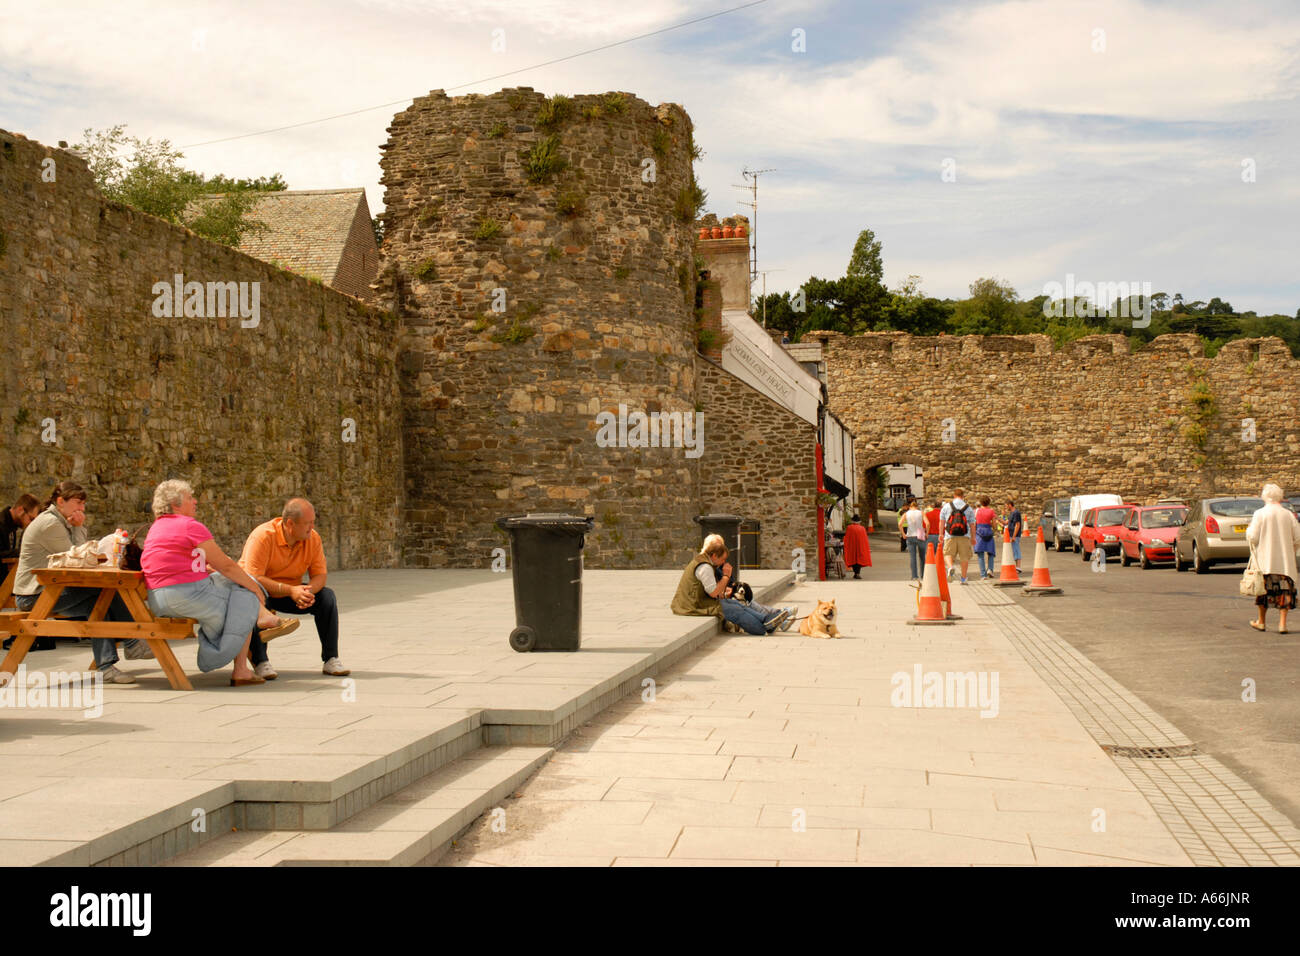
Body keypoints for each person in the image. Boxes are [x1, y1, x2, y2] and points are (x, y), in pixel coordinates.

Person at [141, 480, 299, 686]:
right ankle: (240, 658)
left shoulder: (156, 528)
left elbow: (185, 563)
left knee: (234, 585)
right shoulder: (190, 526)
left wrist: (232, 578)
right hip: (187, 594)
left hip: (158, 598)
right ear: (175, 503)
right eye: (190, 498)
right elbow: (226, 565)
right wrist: (257, 590)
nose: (195, 501)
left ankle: (261, 621)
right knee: (245, 598)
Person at [11, 481, 148, 681]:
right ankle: (133, 642)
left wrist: (77, 526)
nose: (82, 509)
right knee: (103, 592)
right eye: (78, 503)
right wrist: (79, 526)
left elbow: (78, 554)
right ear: (60, 501)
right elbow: (77, 558)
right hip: (33, 595)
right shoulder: (50, 523)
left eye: (83, 504)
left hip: (49, 590)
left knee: (100, 601)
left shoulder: (59, 521)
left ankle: (108, 665)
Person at [239, 497, 349, 679]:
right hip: (259, 590)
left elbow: (320, 575)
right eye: (307, 523)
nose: (312, 527)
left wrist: (308, 592)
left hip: (292, 591)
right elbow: (254, 577)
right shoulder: (263, 536)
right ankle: (261, 661)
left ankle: (331, 659)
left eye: (313, 522)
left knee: (327, 597)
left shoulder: (312, 538)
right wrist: (291, 590)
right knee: (253, 599)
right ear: (290, 523)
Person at [671, 534, 791, 635]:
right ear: (713, 555)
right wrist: (726, 576)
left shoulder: (705, 561)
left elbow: (713, 591)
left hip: (699, 601)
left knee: (735, 603)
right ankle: (761, 629)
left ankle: (766, 620)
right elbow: (713, 592)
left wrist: (723, 591)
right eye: (722, 559)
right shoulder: (705, 567)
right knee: (734, 610)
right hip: (693, 606)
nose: (724, 562)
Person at [1246, 483, 1300, 634]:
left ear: (1264, 496)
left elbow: (1253, 537)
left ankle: (1261, 622)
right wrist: (1290, 550)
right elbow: (1298, 538)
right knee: (1285, 592)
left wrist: (1248, 529)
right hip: (1285, 562)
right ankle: (1282, 624)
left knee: (1263, 591)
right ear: (1280, 497)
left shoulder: (1259, 514)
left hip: (1265, 561)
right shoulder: (1288, 514)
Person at [941, 489, 975, 584]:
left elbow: (942, 521)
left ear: (954, 495)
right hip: (964, 536)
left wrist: (940, 534)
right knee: (964, 557)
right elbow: (972, 524)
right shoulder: (968, 508)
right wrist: (973, 537)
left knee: (947, 554)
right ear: (963, 496)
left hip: (949, 535)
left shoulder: (947, 506)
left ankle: (950, 567)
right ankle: (963, 579)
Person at [1, 493, 39, 559]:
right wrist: (23, 552)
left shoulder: (12, 525)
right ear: (20, 510)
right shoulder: (2, 524)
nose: (31, 524)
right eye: (31, 519)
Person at [973, 497, 998, 579]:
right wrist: (993, 527)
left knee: (980, 554)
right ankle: (990, 569)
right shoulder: (991, 511)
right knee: (991, 552)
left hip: (979, 533)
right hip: (988, 532)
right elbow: (994, 525)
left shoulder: (976, 511)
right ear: (989, 503)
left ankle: (983, 575)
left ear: (980, 502)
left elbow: (974, 523)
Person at [903, 498, 927, 582]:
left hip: (910, 535)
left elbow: (900, 524)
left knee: (912, 557)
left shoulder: (906, 513)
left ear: (910, 507)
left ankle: (914, 576)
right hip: (920, 533)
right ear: (917, 507)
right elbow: (928, 523)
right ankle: (923, 575)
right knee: (922, 556)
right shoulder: (921, 512)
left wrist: (903, 534)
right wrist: (926, 533)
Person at [842, 514, 872, 579]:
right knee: (859, 560)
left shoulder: (849, 527)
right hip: (860, 546)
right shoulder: (862, 528)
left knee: (853, 559)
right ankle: (857, 573)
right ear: (859, 521)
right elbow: (865, 539)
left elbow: (847, 538)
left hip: (852, 547)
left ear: (852, 521)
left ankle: (856, 573)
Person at [1005, 499, 1023, 571]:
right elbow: (1006, 522)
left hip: (1014, 535)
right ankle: (1016, 566)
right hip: (1011, 534)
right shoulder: (1011, 513)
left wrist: (1014, 536)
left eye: (1006, 506)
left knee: (1016, 549)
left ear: (1010, 505)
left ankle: (1018, 566)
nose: (1006, 508)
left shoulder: (1016, 513)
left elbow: (1017, 525)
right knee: (1013, 550)